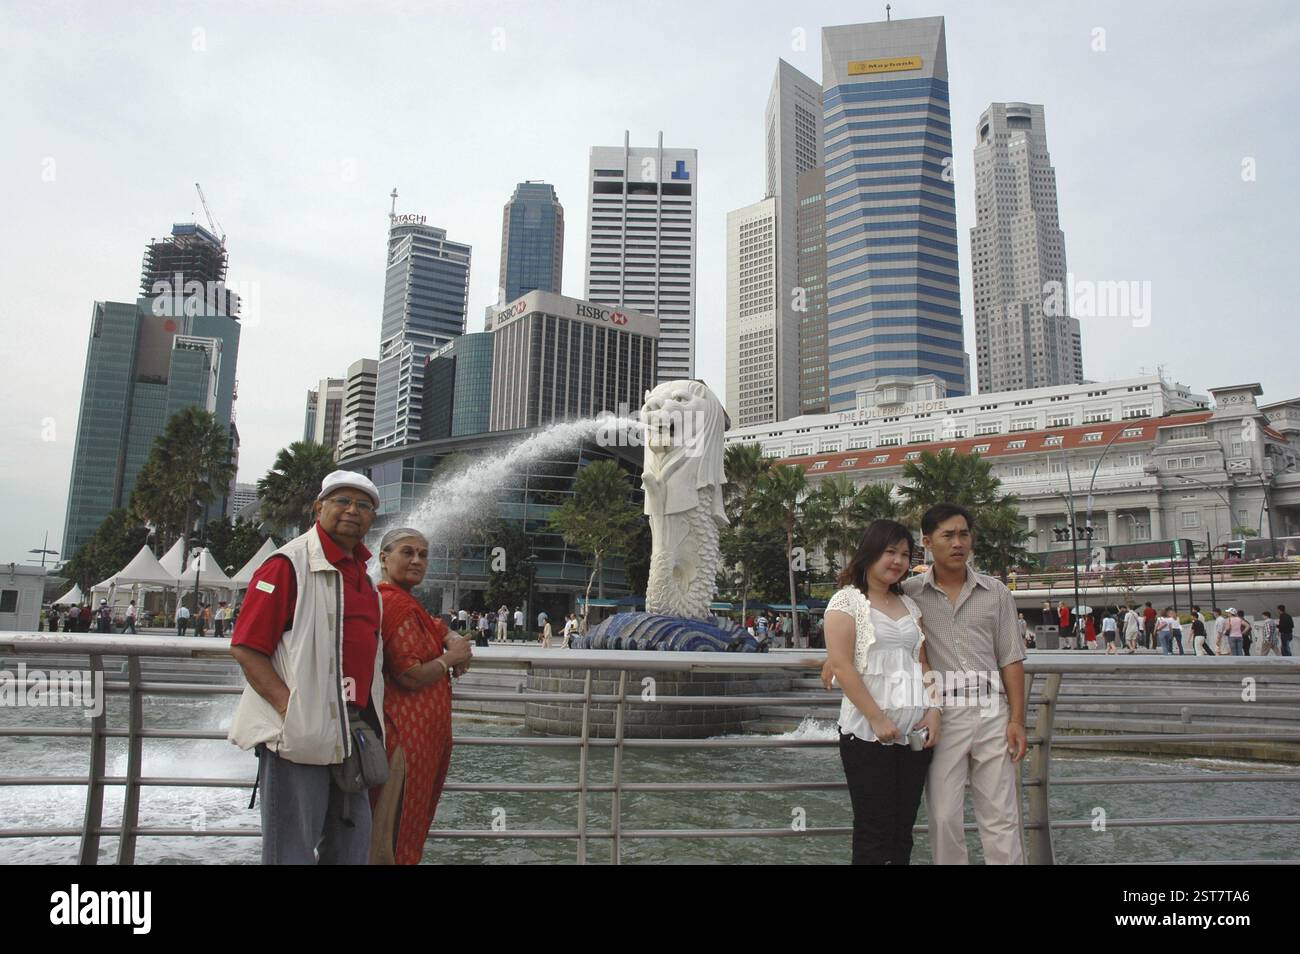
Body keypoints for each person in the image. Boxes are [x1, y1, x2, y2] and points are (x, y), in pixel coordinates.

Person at [820, 503, 1025, 864]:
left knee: (999, 816)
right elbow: (863, 631)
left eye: (964, 534)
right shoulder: (908, 592)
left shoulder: (989, 593)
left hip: (975, 711)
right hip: (917, 717)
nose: (957, 542)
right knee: (937, 817)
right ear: (930, 542)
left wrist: (1017, 720)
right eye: (948, 535)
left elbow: (1008, 658)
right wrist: (835, 657)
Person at [227, 470, 387, 865]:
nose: (352, 510)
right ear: (319, 508)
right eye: (341, 501)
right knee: (292, 850)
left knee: (351, 846)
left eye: (363, 505)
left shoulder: (365, 580)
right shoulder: (287, 565)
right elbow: (247, 648)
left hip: (354, 731)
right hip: (300, 732)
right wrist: (291, 708)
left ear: (372, 519)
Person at [823, 520, 939, 864]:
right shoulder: (847, 601)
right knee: (873, 830)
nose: (898, 561)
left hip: (914, 735)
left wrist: (934, 710)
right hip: (869, 734)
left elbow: (922, 663)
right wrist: (877, 719)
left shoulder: (909, 605)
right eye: (890, 552)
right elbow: (842, 665)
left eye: (905, 554)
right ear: (870, 553)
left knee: (902, 830)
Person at [369, 527, 473, 865]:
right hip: (402, 739)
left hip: (419, 739)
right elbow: (409, 675)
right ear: (384, 558)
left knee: (404, 828)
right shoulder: (392, 602)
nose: (417, 560)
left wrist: (453, 637)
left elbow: (437, 626)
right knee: (392, 834)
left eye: (423, 554)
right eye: (407, 552)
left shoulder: (402, 601)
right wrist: (450, 660)